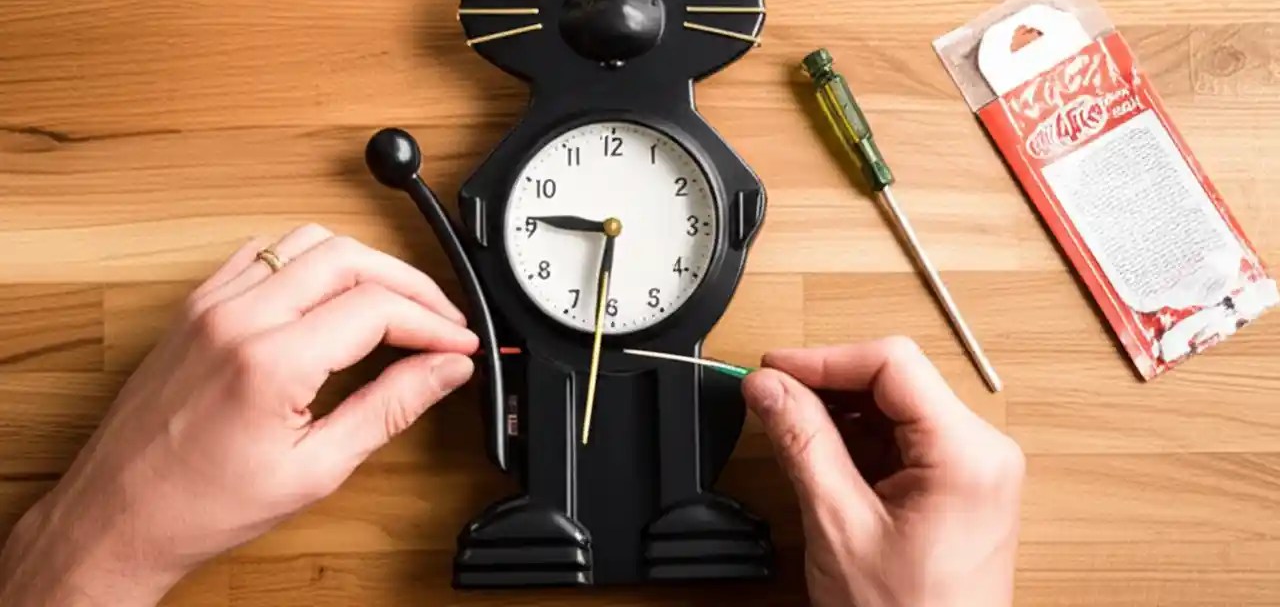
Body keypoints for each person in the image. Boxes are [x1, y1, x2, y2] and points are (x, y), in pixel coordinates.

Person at [0, 226, 1025, 606]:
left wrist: (79, 553)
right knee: (549, 437)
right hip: (545, 352)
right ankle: (549, 524)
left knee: (673, 417)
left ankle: (681, 522)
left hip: (662, 359)